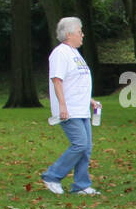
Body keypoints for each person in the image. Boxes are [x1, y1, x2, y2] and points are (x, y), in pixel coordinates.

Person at [42, 17, 101, 196]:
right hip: (69, 110)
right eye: (79, 31)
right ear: (69, 34)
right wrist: (62, 106)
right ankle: (52, 176)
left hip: (81, 108)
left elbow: (75, 81)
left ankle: (81, 184)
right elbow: (57, 80)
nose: (82, 35)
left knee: (86, 146)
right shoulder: (60, 53)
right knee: (79, 144)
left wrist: (89, 100)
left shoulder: (74, 53)